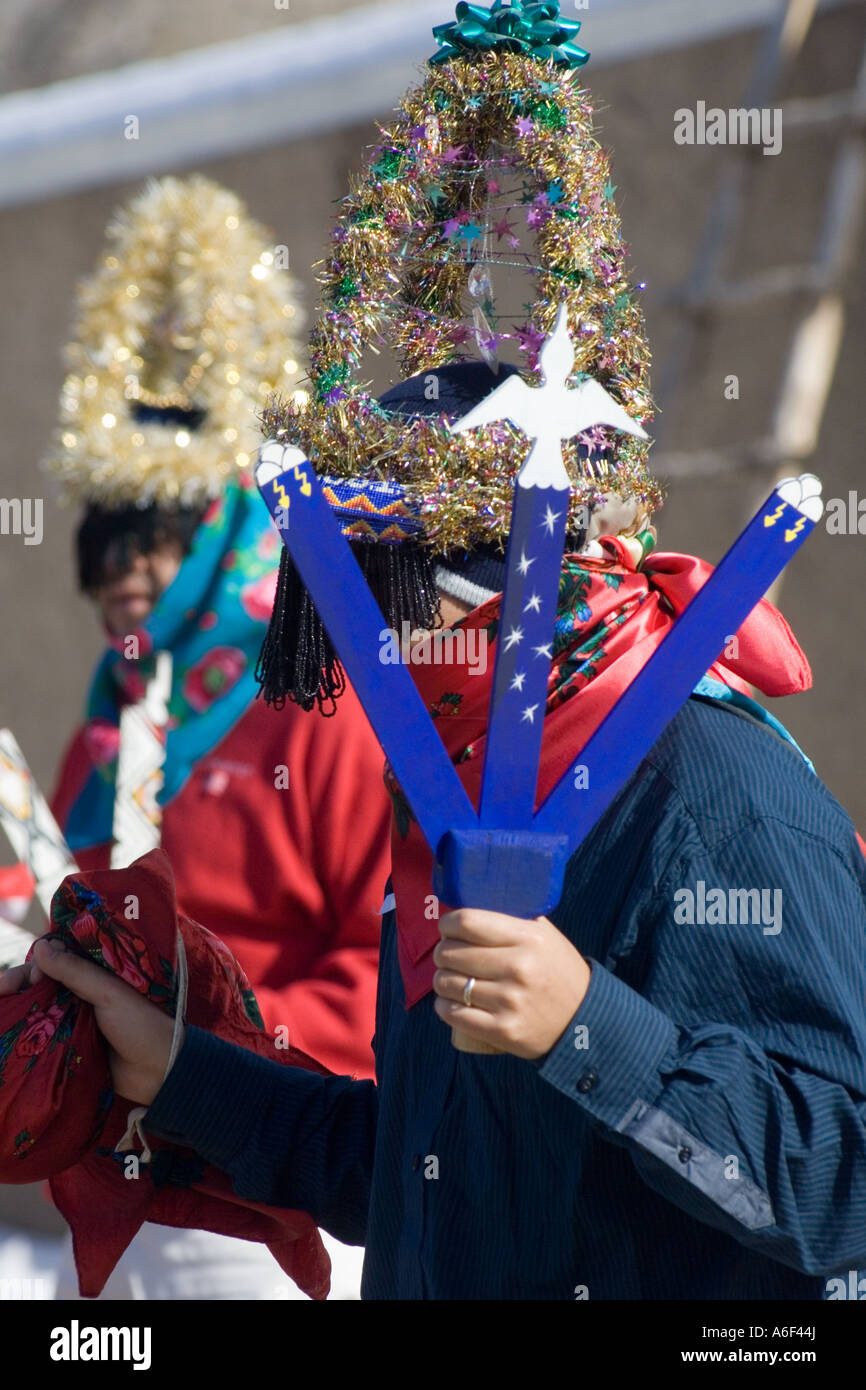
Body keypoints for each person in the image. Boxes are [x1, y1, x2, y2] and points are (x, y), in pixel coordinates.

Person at [5, 8, 866, 1300]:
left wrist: (587, 1023)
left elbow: (836, 1183)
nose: (370, 663)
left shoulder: (711, 792)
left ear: (510, 583)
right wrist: (177, 1069)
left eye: (395, 601)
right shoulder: (450, 800)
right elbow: (421, 1177)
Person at [30, 175, 392, 1300]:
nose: (125, 587)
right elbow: (75, 908)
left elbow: (386, 952)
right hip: (126, 1176)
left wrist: (211, 1048)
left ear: (212, 539)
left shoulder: (321, 698)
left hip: (285, 1166)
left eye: (151, 552)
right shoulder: (110, 722)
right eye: (105, 563)